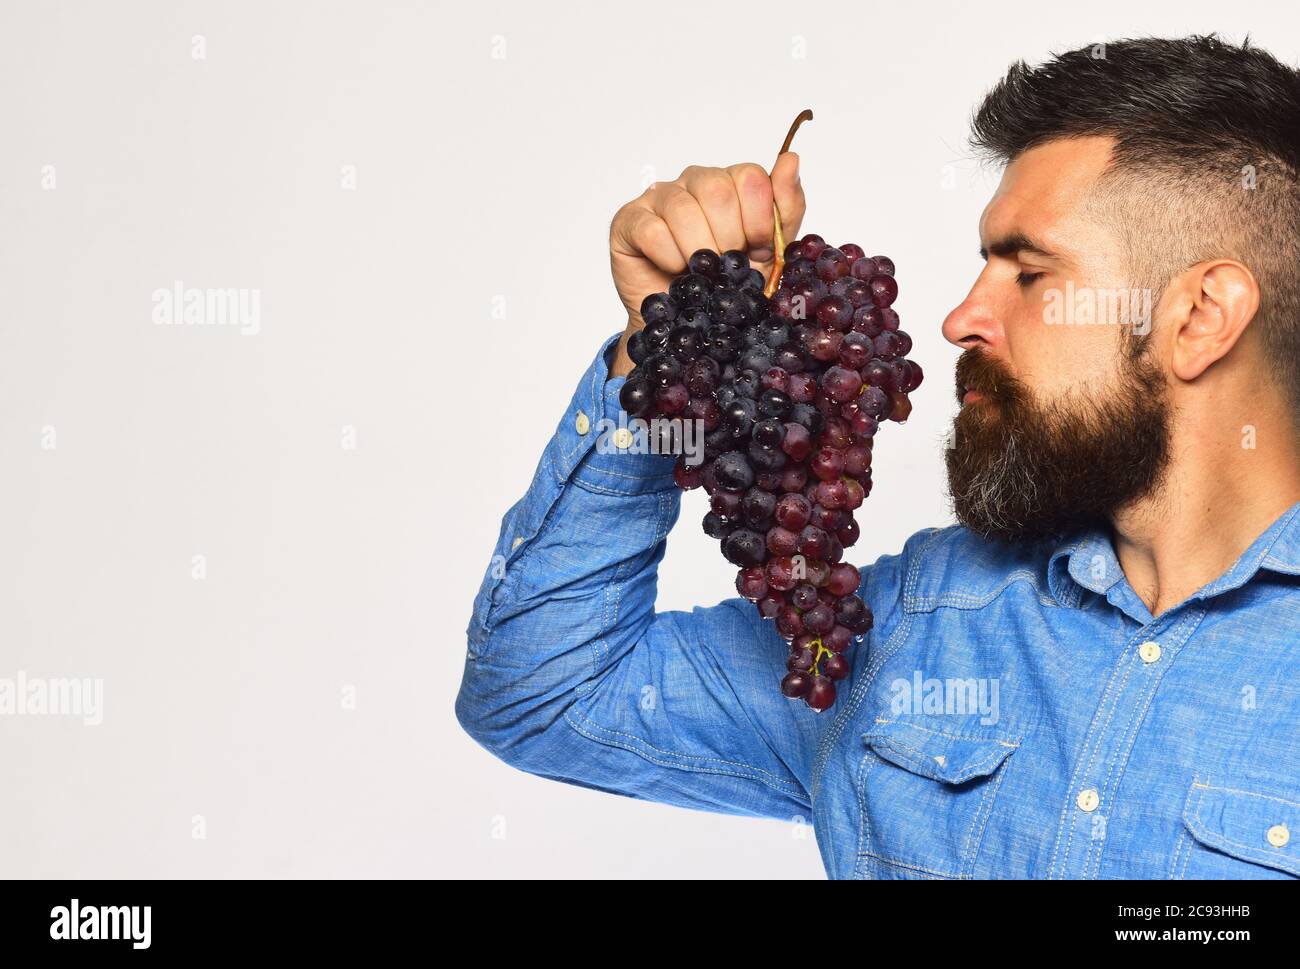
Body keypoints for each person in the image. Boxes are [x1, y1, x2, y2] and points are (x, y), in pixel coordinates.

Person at [456, 35, 1300, 879]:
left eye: (1029, 274)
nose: (960, 320)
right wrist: (667, 344)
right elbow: (543, 696)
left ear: (1201, 317)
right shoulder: (908, 625)